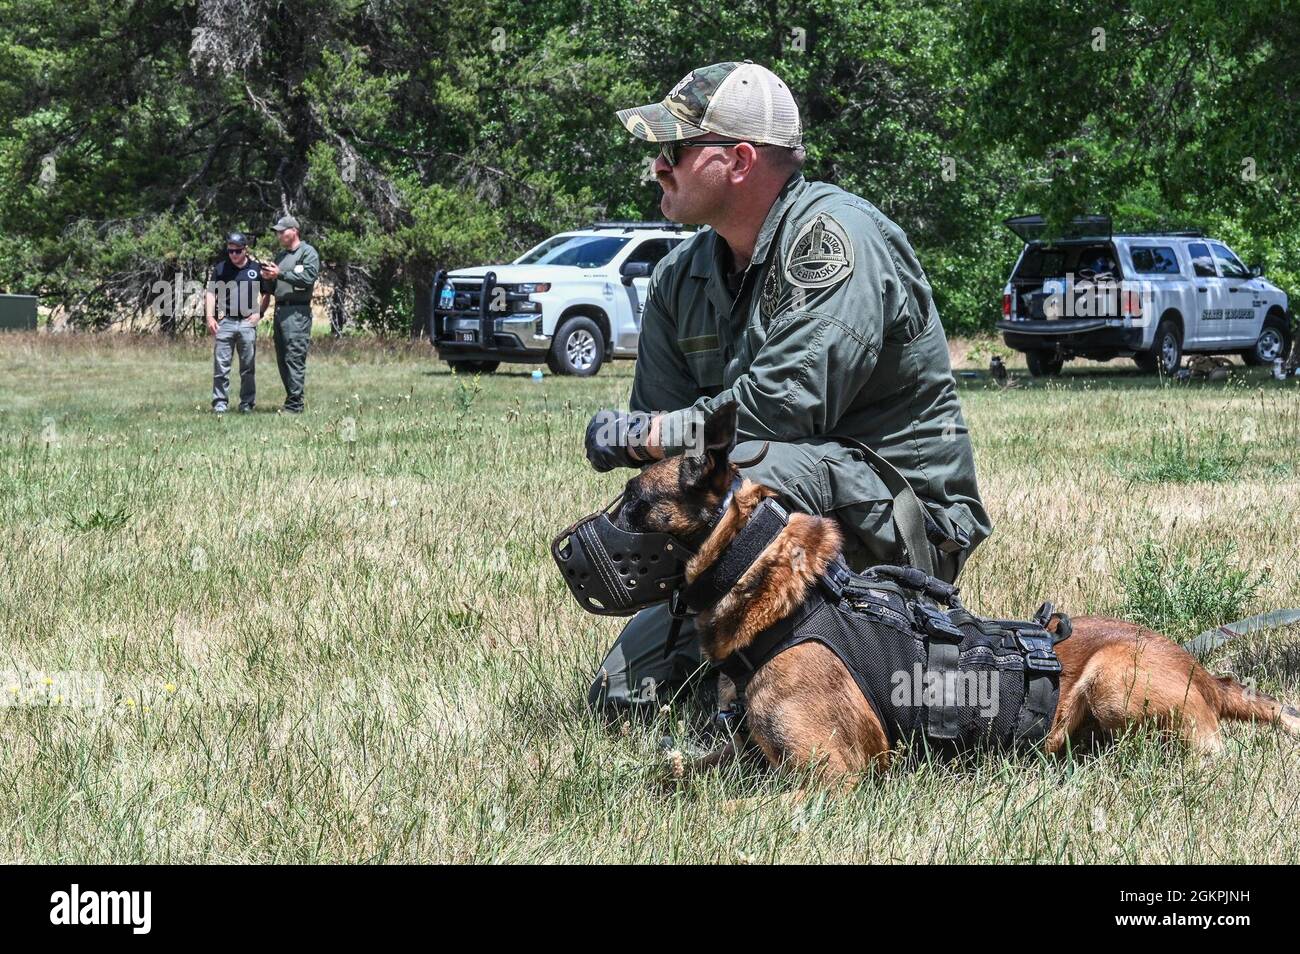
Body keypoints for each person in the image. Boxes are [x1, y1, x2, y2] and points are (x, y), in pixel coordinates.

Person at [583, 61, 994, 717]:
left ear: (740, 160)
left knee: (737, 464)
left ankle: (864, 645)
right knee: (627, 695)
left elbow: (784, 408)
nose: (657, 167)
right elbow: (667, 471)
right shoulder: (676, 280)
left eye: (675, 150)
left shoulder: (836, 239)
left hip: (894, 527)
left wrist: (655, 436)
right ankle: (746, 661)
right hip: (765, 516)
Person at [205, 231, 269, 414]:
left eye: (237, 251)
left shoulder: (256, 269)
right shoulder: (221, 268)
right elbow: (211, 293)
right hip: (226, 322)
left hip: (247, 323)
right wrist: (210, 317)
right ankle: (220, 404)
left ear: (245, 250)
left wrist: (259, 313)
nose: (233, 255)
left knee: (247, 367)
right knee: (221, 366)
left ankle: (247, 404)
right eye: (230, 251)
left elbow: (266, 293)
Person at [260, 215, 319, 413]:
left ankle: (295, 404)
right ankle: (291, 399)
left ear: (294, 230)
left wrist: (281, 274)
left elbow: (308, 277)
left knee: (294, 356)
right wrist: (267, 277)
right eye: (277, 232)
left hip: (298, 311)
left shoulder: (307, 253)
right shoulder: (281, 257)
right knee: (283, 357)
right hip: (280, 310)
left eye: (282, 231)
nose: (279, 235)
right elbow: (274, 284)